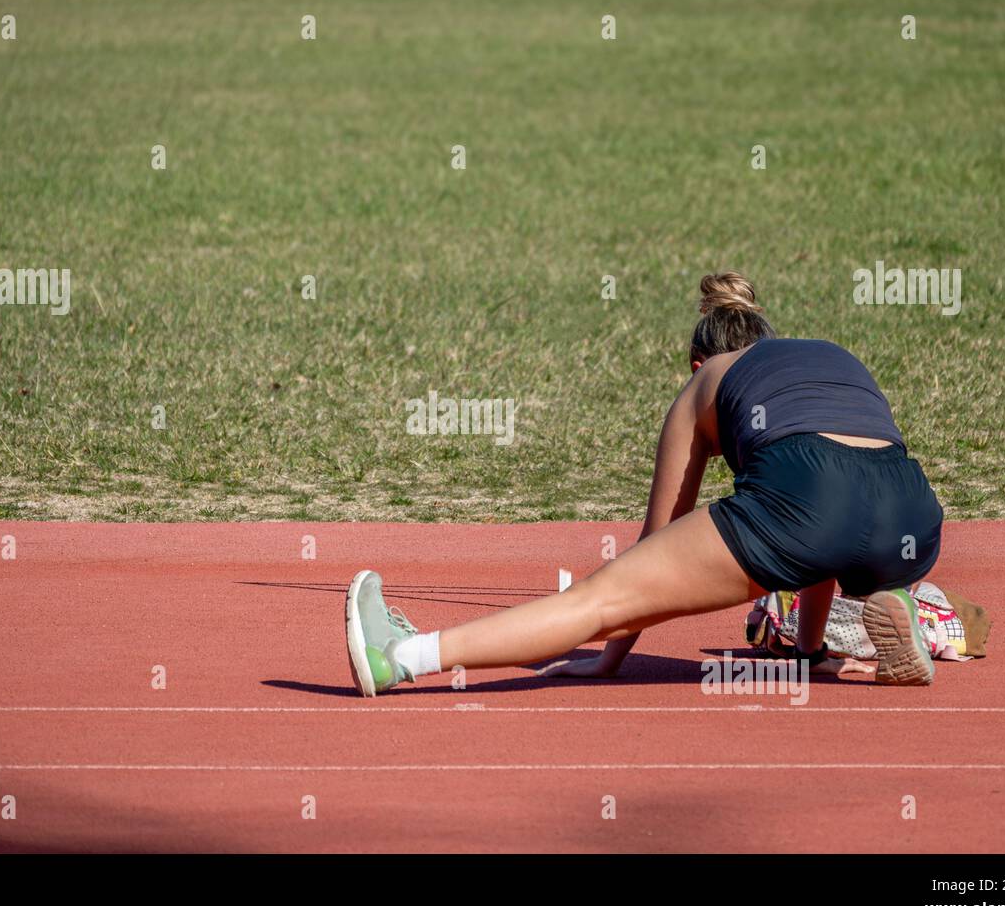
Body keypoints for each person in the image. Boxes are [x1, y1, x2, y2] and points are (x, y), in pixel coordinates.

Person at [344, 272, 944, 696]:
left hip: (810, 500)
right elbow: (829, 518)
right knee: (821, 527)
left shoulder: (707, 381)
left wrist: (607, 655)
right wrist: (808, 653)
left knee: (598, 599)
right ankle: (888, 597)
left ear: (695, 362)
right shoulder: (829, 354)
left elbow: (655, 544)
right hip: (911, 513)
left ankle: (400, 656)